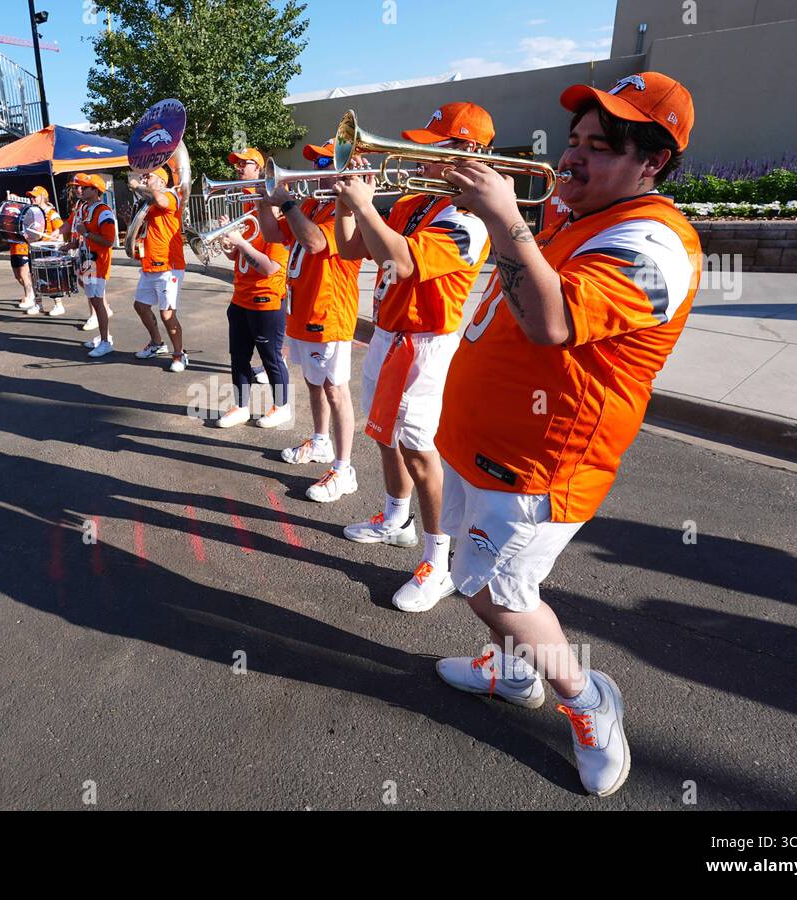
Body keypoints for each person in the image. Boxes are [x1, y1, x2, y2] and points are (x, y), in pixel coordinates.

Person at [430, 72, 701, 798]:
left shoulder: (656, 244)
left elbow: (551, 322)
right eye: (574, 141)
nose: (571, 159)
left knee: (496, 593)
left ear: (652, 164)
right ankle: (513, 670)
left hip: (541, 464)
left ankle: (586, 701)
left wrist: (501, 219)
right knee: (481, 575)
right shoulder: (570, 207)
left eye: (600, 148)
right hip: (480, 443)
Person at [333, 102, 493, 612]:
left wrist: (365, 204)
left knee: (422, 454)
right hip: (387, 334)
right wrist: (345, 201)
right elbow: (353, 248)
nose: (416, 156)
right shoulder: (416, 201)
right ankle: (394, 518)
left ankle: (437, 560)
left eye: (430, 147)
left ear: (467, 151)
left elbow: (401, 262)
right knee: (385, 435)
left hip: (426, 344)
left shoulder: (469, 219)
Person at [255, 140, 362, 502]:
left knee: (336, 390)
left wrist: (285, 201)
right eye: (314, 161)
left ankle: (344, 468)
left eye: (322, 162)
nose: (313, 169)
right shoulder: (313, 205)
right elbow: (273, 235)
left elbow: (316, 243)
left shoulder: (343, 208)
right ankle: (319, 442)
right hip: (302, 313)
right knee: (314, 383)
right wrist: (263, 198)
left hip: (329, 314)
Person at [214, 148, 291, 428]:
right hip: (241, 296)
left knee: (271, 359)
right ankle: (241, 406)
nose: (238, 169)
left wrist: (241, 243)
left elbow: (271, 267)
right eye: (236, 164)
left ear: (259, 170)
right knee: (239, 357)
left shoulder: (275, 214)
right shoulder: (249, 208)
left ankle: (282, 406)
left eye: (243, 164)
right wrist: (228, 243)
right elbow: (238, 258)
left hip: (266, 299)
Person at [127, 166, 189, 372]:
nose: (145, 179)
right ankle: (156, 343)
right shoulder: (149, 202)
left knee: (167, 314)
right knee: (141, 306)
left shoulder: (170, 195)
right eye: (144, 177)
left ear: (162, 182)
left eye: (149, 177)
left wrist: (136, 186)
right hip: (150, 264)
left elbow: (159, 199)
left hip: (168, 266)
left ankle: (180, 355)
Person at [64, 173, 119, 358]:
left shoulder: (103, 211)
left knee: (98, 301)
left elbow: (109, 241)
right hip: (88, 261)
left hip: (98, 263)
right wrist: (72, 244)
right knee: (94, 301)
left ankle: (105, 342)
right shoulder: (87, 209)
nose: (81, 189)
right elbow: (83, 234)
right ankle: (104, 337)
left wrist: (86, 234)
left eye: (86, 187)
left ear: (96, 191)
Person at [19, 186, 67, 317]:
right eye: (31, 197)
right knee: (35, 277)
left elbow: (61, 231)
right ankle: (38, 304)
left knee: (52, 278)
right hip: (35, 249)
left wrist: (59, 249)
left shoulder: (52, 214)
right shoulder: (31, 213)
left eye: (35, 196)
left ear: (43, 197)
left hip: (48, 250)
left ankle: (59, 305)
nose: (32, 199)